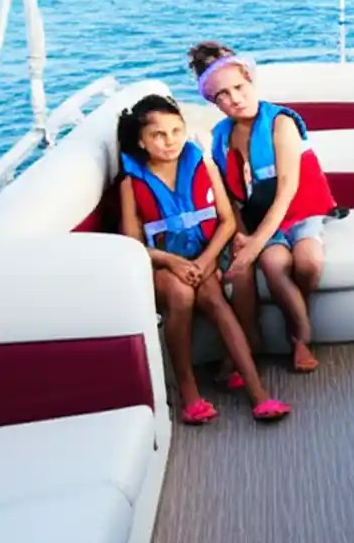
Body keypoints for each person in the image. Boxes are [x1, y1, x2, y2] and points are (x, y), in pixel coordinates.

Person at [116, 94, 291, 424]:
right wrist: (173, 263)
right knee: (181, 295)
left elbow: (226, 221)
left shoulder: (202, 163)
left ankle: (259, 395)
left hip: (202, 258)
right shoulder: (130, 182)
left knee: (215, 299)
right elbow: (132, 244)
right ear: (141, 140)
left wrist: (207, 260)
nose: (170, 142)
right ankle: (189, 393)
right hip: (161, 265)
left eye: (176, 131)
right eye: (158, 135)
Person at [190, 41, 341, 374]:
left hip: (299, 213)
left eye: (239, 87)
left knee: (308, 261)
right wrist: (242, 236)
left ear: (251, 82)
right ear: (213, 103)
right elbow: (231, 197)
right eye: (222, 96)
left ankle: (294, 322)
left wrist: (255, 242)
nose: (234, 99)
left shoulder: (280, 123)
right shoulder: (221, 137)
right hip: (259, 219)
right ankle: (300, 338)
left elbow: (287, 189)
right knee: (274, 264)